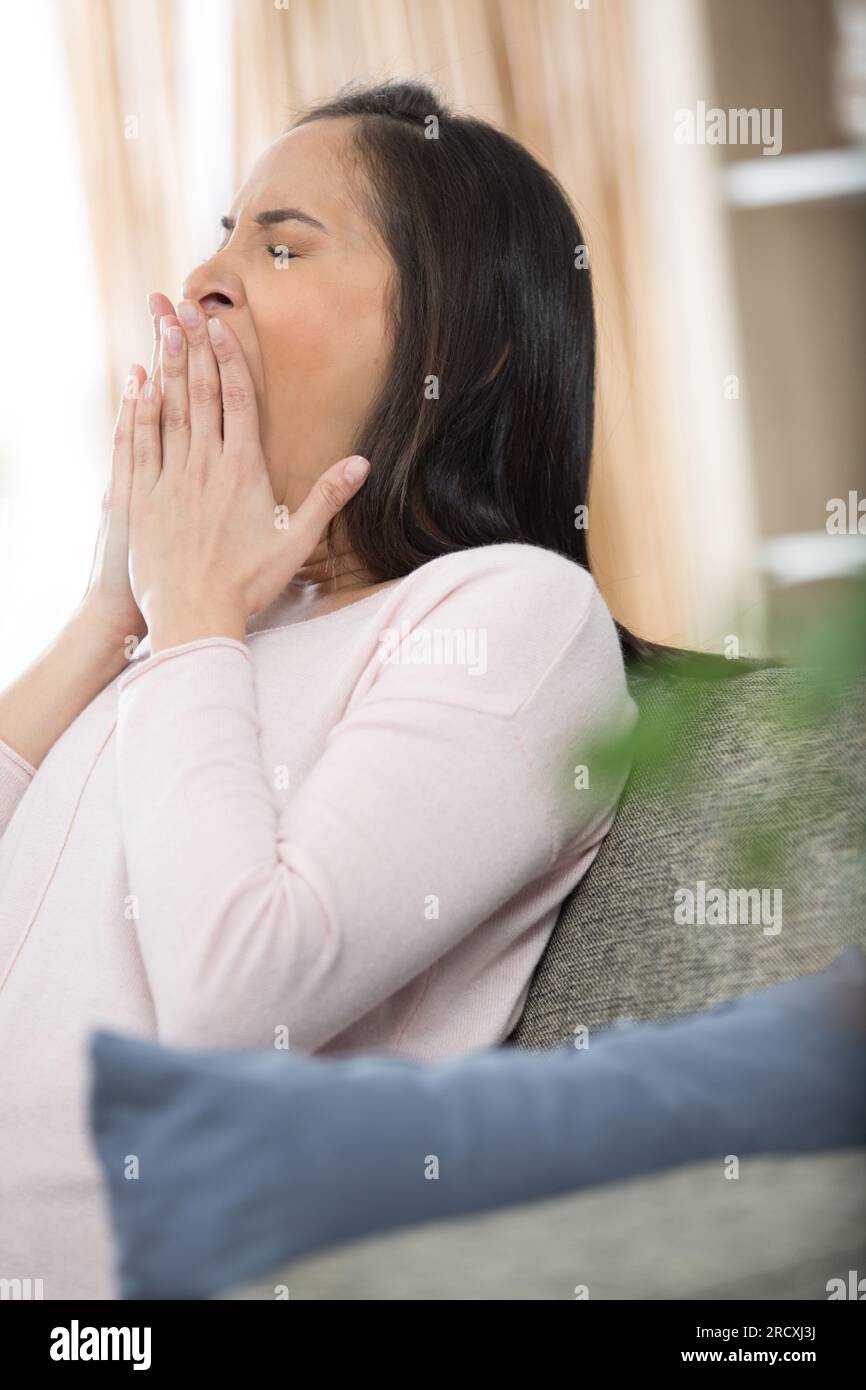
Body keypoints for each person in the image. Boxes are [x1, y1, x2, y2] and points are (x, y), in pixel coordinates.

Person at [0, 80, 636, 1298]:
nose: (200, 283)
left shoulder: (508, 615)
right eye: (221, 233)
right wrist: (108, 615)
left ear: (467, 346)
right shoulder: (195, 639)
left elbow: (243, 1000)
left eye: (281, 245)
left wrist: (188, 617)